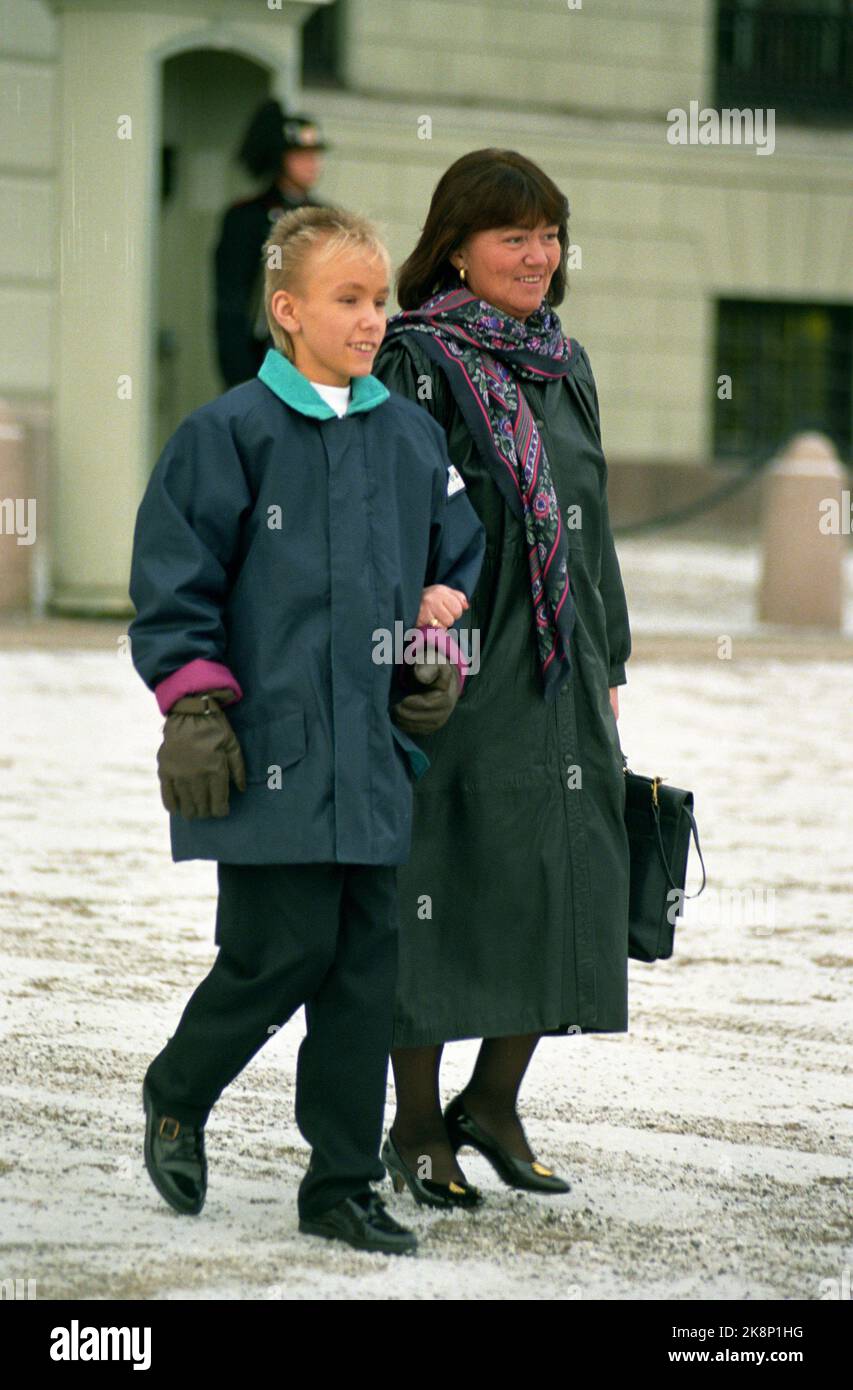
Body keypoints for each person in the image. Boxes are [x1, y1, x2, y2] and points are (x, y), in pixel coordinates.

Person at [127, 204, 487, 1254]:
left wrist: (436, 658)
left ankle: (338, 1183)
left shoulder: (413, 439)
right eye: (348, 299)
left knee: (363, 978)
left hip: (373, 763)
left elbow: (453, 569)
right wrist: (193, 704)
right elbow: (174, 581)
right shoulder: (227, 433)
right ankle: (177, 1087)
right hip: (266, 753)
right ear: (288, 310)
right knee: (276, 954)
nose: (373, 318)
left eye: (380, 300)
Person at [371, 148, 632, 1205]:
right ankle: (419, 1122)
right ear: (458, 249)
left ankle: (496, 1097)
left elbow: (594, 525)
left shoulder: (565, 362)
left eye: (548, 234)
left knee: (564, 877)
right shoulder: (416, 360)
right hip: (462, 663)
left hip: (562, 668)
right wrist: (410, 655)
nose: (536, 254)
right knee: (446, 878)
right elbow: (392, 523)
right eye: (512, 236)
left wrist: (610, 660)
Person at [213, 101, 327, 388]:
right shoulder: (246, 218)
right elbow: (231, 300)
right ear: (281, 158)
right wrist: (237, 375)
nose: (312, 164)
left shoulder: (326, 218)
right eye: (302, 155)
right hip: (262, 354)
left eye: (315, 155)